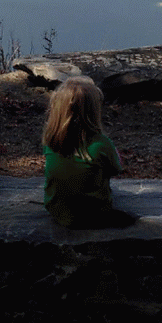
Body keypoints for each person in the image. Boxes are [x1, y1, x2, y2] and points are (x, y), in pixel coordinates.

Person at [42, 76, 135, 228]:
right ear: (94, 112)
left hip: (57, 210)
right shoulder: (101, 144)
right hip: (95, 213)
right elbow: (116, 169)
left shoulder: (50, 142)